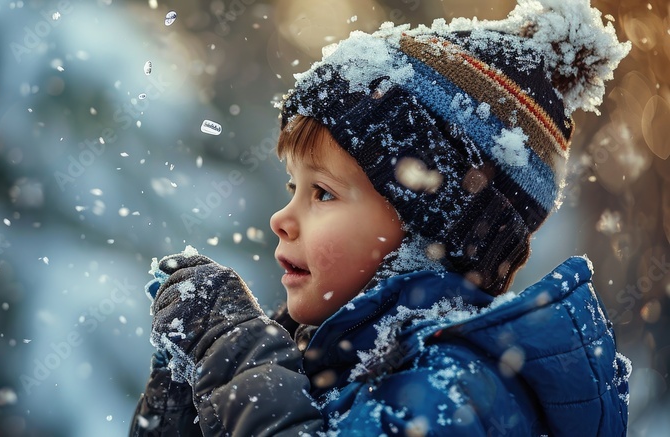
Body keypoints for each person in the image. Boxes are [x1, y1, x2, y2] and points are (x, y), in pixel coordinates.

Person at [130, 0, 633, 435]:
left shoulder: (462, 387)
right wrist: (187, 388)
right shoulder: (325, 362)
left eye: (322, 193)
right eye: (293, 187)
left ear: (429, 228)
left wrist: (236, 356)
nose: (282, 219)